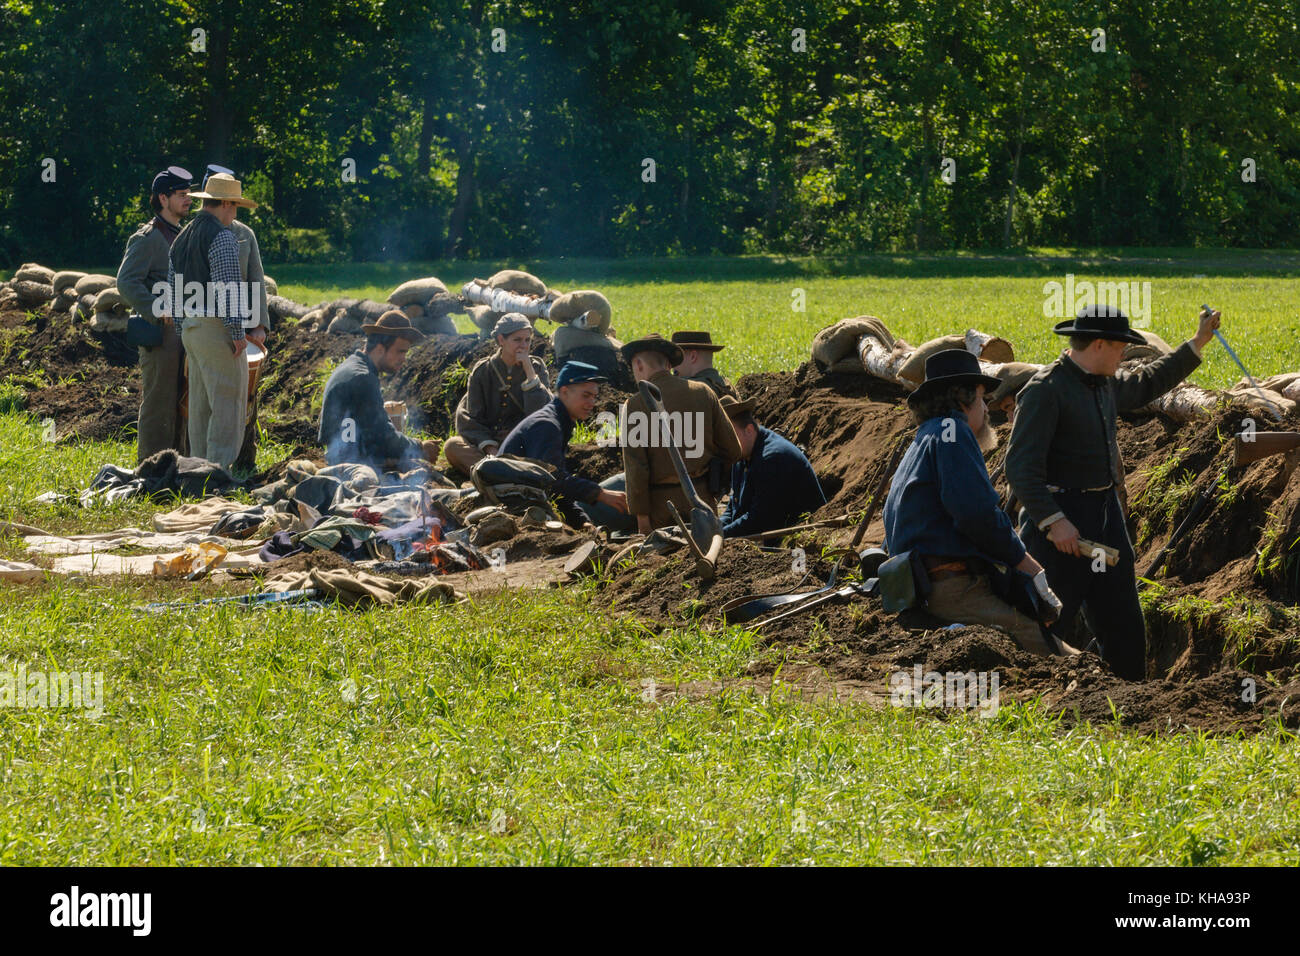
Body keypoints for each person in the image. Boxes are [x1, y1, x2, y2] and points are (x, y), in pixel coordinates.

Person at [1005, 304, 1220, 680]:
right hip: (1060, 525)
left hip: (1104, 519)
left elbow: (1146, 384)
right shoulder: (1045, 391)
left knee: (1122, 620)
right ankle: (1033, 698)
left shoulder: (1103, 383)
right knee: (1047, 620)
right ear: (1100, 344)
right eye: (1121, 346)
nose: (1124, 354)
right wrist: (1054, 522)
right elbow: (1021, 469)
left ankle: (1129, 699)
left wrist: (1197, 342)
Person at [884, 349, 1065, 656]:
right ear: (962, 400)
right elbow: (976, 515)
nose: (986, 408)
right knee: (1041, 644)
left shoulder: (925, 438)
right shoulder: (954, 433)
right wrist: (1030, 567)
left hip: (921, 588)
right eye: (982, 398)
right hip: (952, 587)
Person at [166, 172, 257, 469]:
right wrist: (237, 331)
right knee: (228, 402)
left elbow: (173, 288)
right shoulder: (222, 236)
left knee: (201, 404)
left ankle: (196, 469)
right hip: (215, 327)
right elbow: (226, 286)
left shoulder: (182, 236)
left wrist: (182, 328)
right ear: (227, 204)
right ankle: (217, 472)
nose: (235, 214)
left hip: (191, 328)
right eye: (235, 206)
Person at [621, 334, 742, 533]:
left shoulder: (635, 405)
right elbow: (733, 449)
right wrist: (714, 482)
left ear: (639, 364)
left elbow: (636, 470)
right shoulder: (703, 392)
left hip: (661, 509)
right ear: (668, 364)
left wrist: (642, 520)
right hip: (703, 499)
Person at [116, 165, 192, 462]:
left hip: (185, 332)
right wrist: (156, 310)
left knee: (183, 402)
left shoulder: (181, 234)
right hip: (160, 335)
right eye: (182, 194)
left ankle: (178, 464)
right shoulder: (147, 238)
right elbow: (126, 282)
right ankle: (150, 468)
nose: (188, 199)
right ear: (163, 198)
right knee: (159, 402)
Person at [197, 168, 269, 470]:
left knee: (244, 398)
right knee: (215, 399)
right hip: (215, 324)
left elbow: (256, 279)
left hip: (240, 323)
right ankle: (210, 468)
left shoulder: (244, 234)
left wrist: (259, 324)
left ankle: (239, 460)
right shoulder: (199, 233)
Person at [498, 361, 629, 527]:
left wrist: (582, 522)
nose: (592, 403)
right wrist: (599, 494)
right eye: (586, 395)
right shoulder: (547, 425)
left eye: (594, 397)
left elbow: (553, 489)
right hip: (509, 507)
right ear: (565, 392)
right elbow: (553, 481)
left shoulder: (558, 422)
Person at [318, 311, 441, 469]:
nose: (404, 359)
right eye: (400, 351)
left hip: (347, 453)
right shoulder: (363, 378)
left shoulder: (354, 366)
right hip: (352, 462)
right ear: (380, 349)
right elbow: (384, 439)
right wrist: (420, 448)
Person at [443, 314, 552, 474]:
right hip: (488, 449)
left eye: (527, 340)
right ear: (501, 340)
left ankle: (493, 475)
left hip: (522, 446)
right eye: (517, 340)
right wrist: (489, 447)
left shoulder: (536, 368)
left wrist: (529, 373)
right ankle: (504, 474)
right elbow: (468, 417)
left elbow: (542, 414)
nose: (524, 345)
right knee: (453, 446)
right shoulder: (483, 371)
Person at [719, 395, 826, 538]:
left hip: (798, 540)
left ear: (749, 430)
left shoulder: (773, 458)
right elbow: (734, 506)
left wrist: (720, 535)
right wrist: (716, 527)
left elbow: (759, 520)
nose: (725, 444)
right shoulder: (740, 454)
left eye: (730, 437)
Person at [670, 330, 736, 398]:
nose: (672, 365)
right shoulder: (727, 384)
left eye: (675, 357)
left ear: (693, 356)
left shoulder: (688, 389)